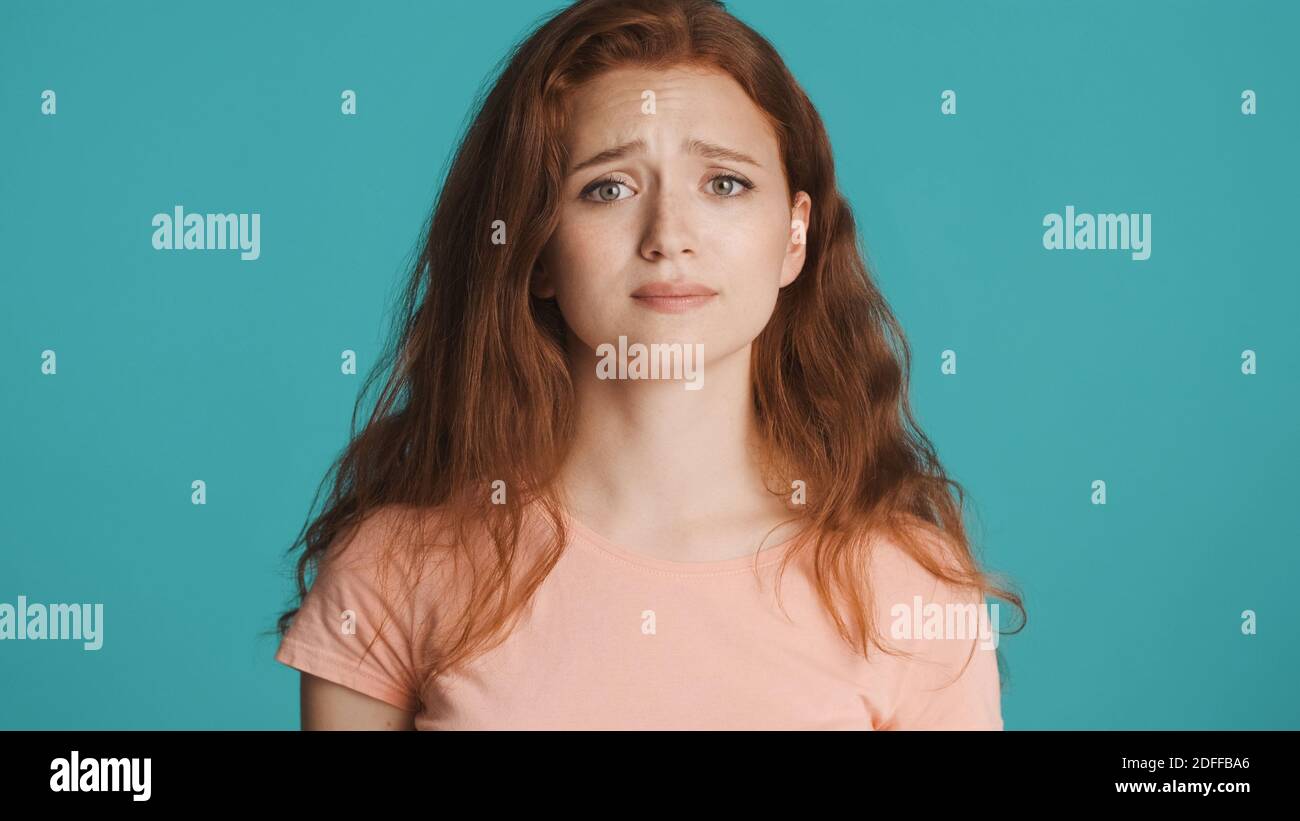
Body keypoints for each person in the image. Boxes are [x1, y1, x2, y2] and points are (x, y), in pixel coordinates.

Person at [273, 0, 1024, 730]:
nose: (669, 235)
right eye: (609, 188)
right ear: (536, 248)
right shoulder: (393, 569)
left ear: (795, 236)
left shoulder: (907, 588)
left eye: (724, 183)